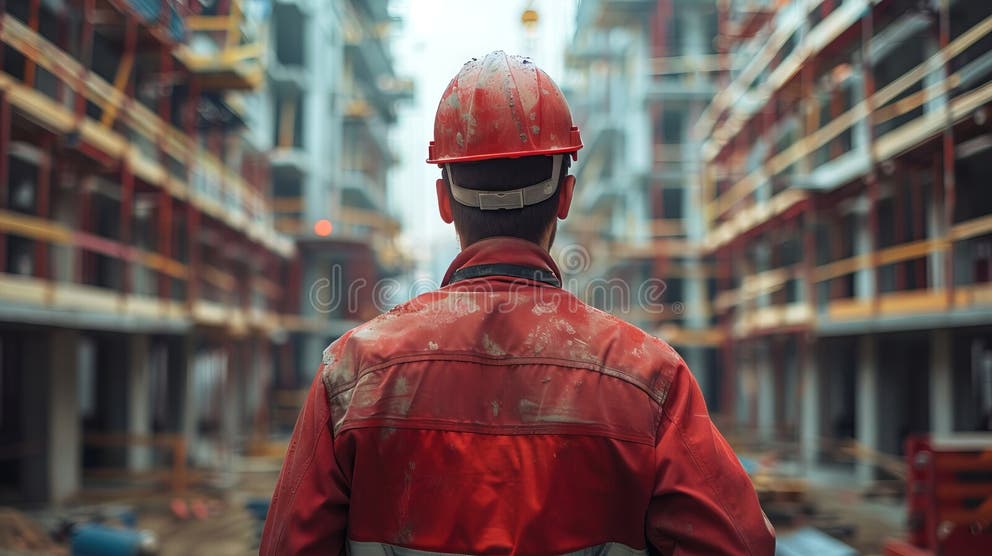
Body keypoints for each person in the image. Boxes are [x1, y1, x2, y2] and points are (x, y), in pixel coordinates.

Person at [260, 50, 775, 556]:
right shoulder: (650, 379)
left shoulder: (351, 374)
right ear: (566, 197)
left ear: (444, 202)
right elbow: (741, 543)